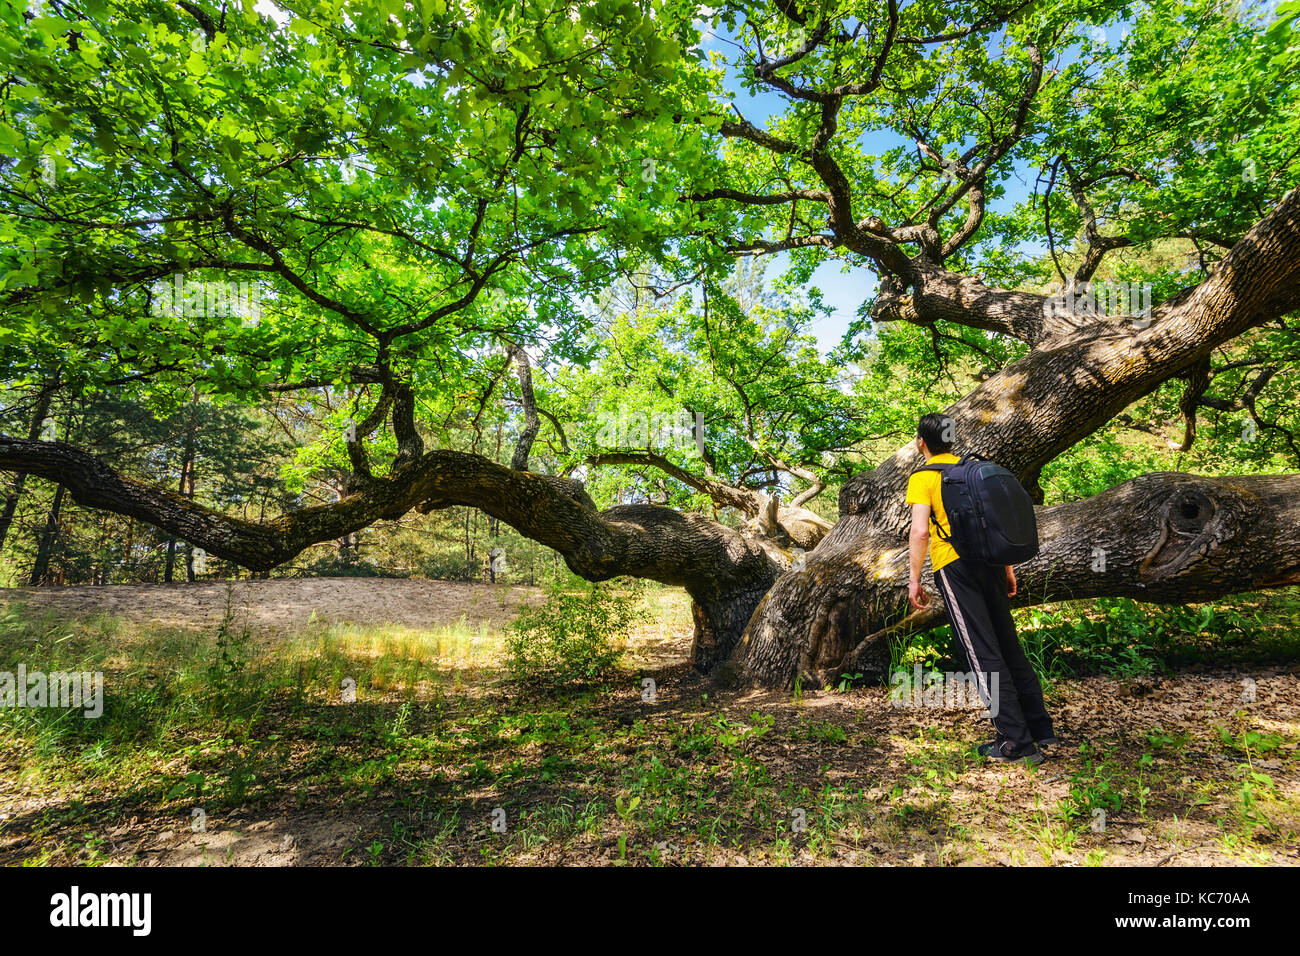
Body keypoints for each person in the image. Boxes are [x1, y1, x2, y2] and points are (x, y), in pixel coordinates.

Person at [905, 413, 1057, 765]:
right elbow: (994, 520)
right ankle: (1040, 729)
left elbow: (920, 532)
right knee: (1007, 643)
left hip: (954, 566)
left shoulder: (924, 477)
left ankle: (1016, 743)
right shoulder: (973, 469)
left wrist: (914, 579)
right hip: (990, 562)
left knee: (980, 651)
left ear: (921, 443)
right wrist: (1007, 567)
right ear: (951, 440)